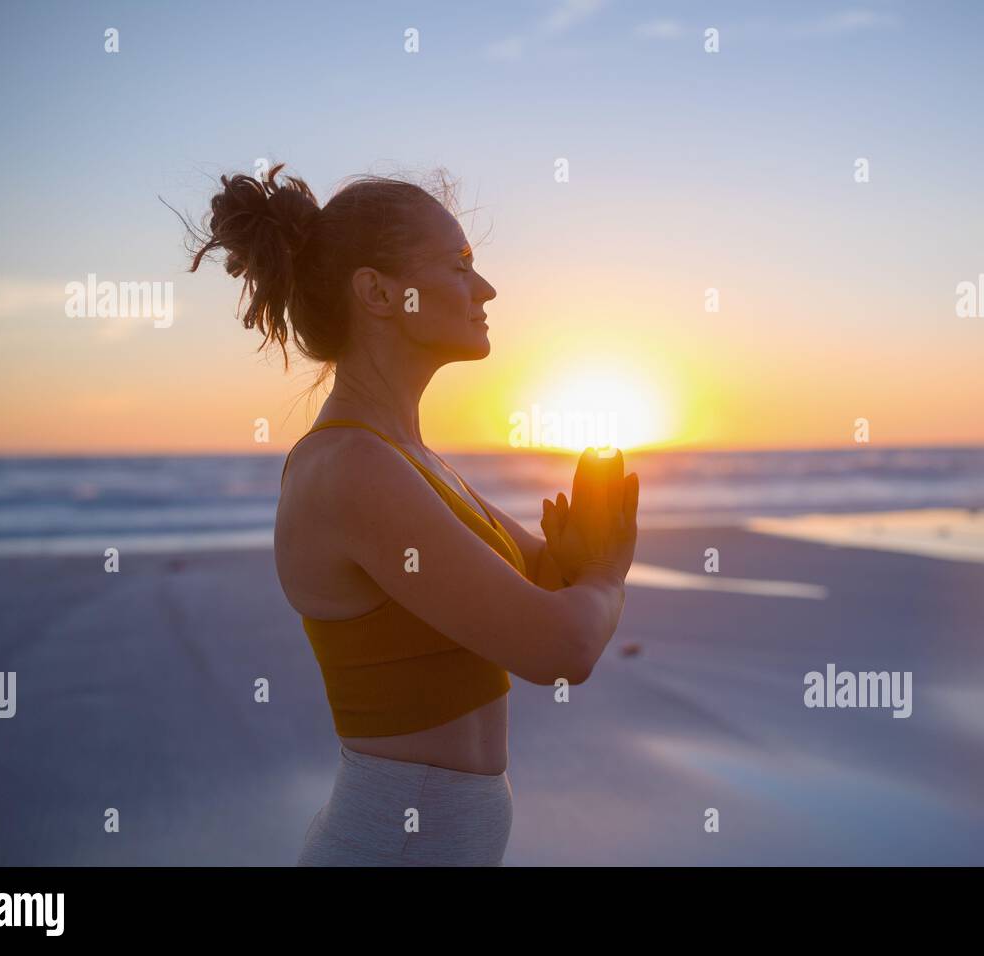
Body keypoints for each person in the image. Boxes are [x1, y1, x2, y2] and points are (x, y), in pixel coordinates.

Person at [179, 162, 639, 865]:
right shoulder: (352, 470)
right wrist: (605, 572)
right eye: (460, 266)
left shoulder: (408, 456)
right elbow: (558, 648)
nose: (485, 289)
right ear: (379, 293)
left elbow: (546, 581)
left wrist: (579, 553)